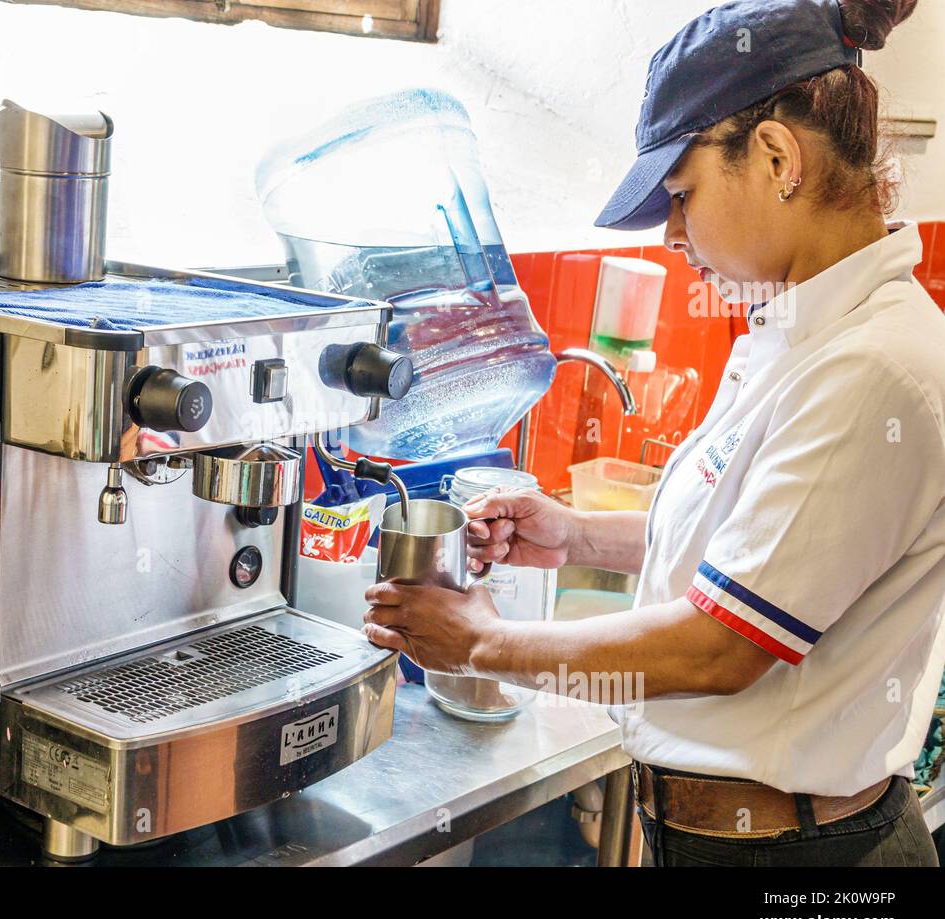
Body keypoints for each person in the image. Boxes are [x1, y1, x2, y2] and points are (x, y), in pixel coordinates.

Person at [364, 0, 942, 866]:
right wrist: (574, 533)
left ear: (777, 158)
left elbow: (718, 650)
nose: (673, 235)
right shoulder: (797, 330)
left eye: (681, 197)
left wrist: (482, 643)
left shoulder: (871, 370)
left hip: (806, 859)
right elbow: (749, 548)